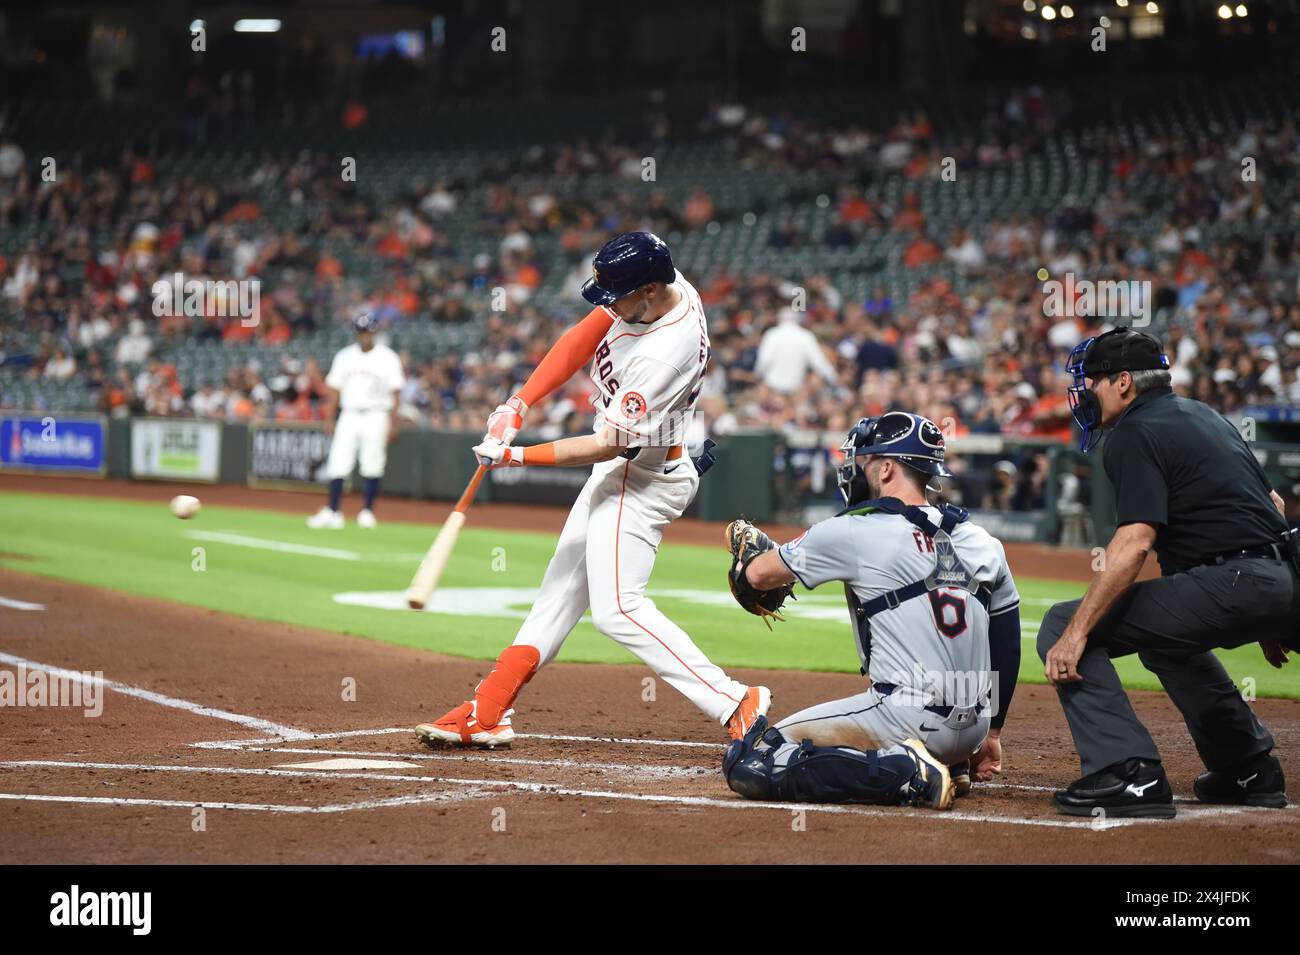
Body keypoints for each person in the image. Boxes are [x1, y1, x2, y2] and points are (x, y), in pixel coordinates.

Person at [415, 231, 770, 747]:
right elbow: (584, 334)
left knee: (618, 610)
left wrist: (516, 456)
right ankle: (487, 710)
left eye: (617, 295)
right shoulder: (658, 289)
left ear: (649, 290)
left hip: (642, 477)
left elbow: (608, 445)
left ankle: (735, 701)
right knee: (558, 595)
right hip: (630, 467)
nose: (609, 304)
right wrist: (519, 403)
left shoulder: (666, 353)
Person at [1037, 328, 1300, 818]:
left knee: (1060, 624)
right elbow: (1275, 503)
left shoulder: (1132, 432)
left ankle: (1128, 773)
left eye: (1091, 382)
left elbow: (1135, 542)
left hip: (1238, 581)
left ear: (1122, 383)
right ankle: (1247, 767)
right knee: (1166, 641)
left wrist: (1077, 633)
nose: (1085, 393)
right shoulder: (1207, 415)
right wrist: (1268, 612)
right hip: (1285, 577)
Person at [720, 412, 1021, 809]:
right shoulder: (983, 541)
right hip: (974, 729)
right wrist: (992, 733)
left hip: (906, 716)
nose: (854, 470)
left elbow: (758, 576)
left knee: (753, 758)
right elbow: (1007, 642)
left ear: (887, 468)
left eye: (863, 461)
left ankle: (908, 771)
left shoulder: (854, 529)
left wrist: (746, 563)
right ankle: (952, 762)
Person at [307, 313, 404, 529]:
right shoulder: (345, 356)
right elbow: (335, 389)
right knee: (338, 462)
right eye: (361, 331)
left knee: (373, 463)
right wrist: (330, 417)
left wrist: (393, 422)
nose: (364, 335)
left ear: (374, 332)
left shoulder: (388, 357)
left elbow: (396, 393)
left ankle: (367, 512)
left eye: (367, 331)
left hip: (377, 413)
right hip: (349, 413)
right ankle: (333, 511)